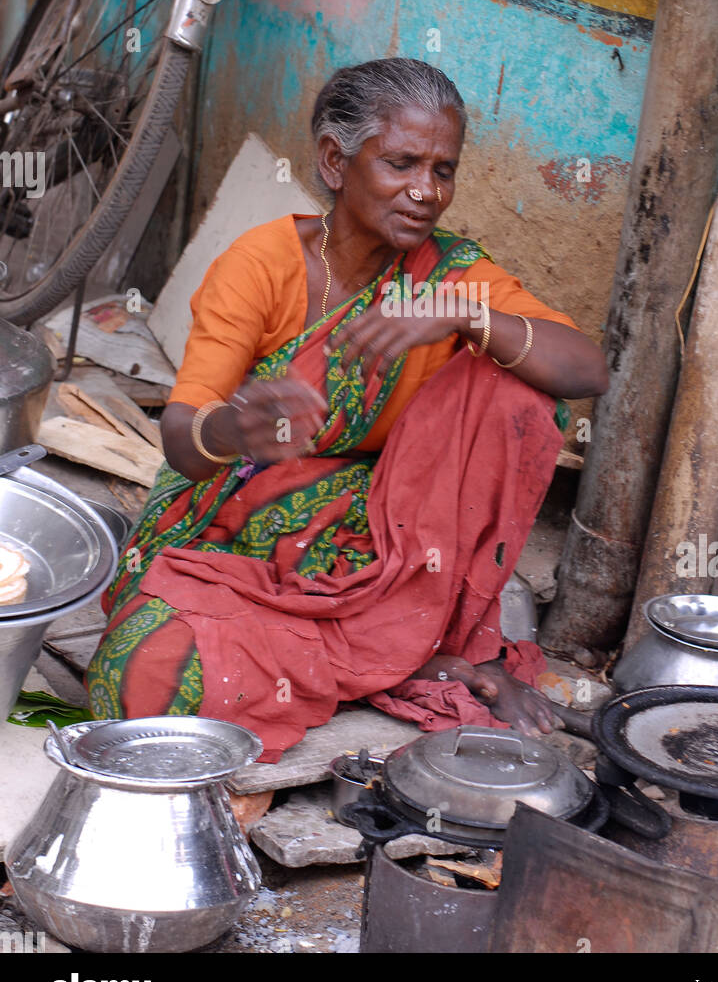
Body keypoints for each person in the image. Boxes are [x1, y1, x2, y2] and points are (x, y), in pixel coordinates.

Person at [85, 59, 608, 760]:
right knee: (144, 673)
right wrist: (237, 428)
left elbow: (586, 370)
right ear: (336, 162)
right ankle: (396, 660)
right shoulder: (263, 265)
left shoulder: (450, 275)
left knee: (516, 384)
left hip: (382, 538)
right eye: (401, 163)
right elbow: (181, 441)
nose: (425, 192)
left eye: (443, 170)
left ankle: (400, 647)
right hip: (235, 525)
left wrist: (463, 316)